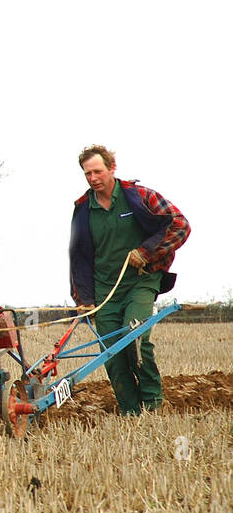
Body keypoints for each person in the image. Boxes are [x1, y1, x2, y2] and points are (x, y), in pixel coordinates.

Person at [69, 145, 190, 414]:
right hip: (104, 290)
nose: (93, 178)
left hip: (140, 281)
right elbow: (78, 258)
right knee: (111, 354)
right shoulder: (83, 209)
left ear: (112, 168)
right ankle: (130, 413)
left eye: (98, 171)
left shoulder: (139, 196)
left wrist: (146, 252)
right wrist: (84, 299)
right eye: (87, 174)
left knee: (135, 338)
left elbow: (180, 225)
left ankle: (153, 405)